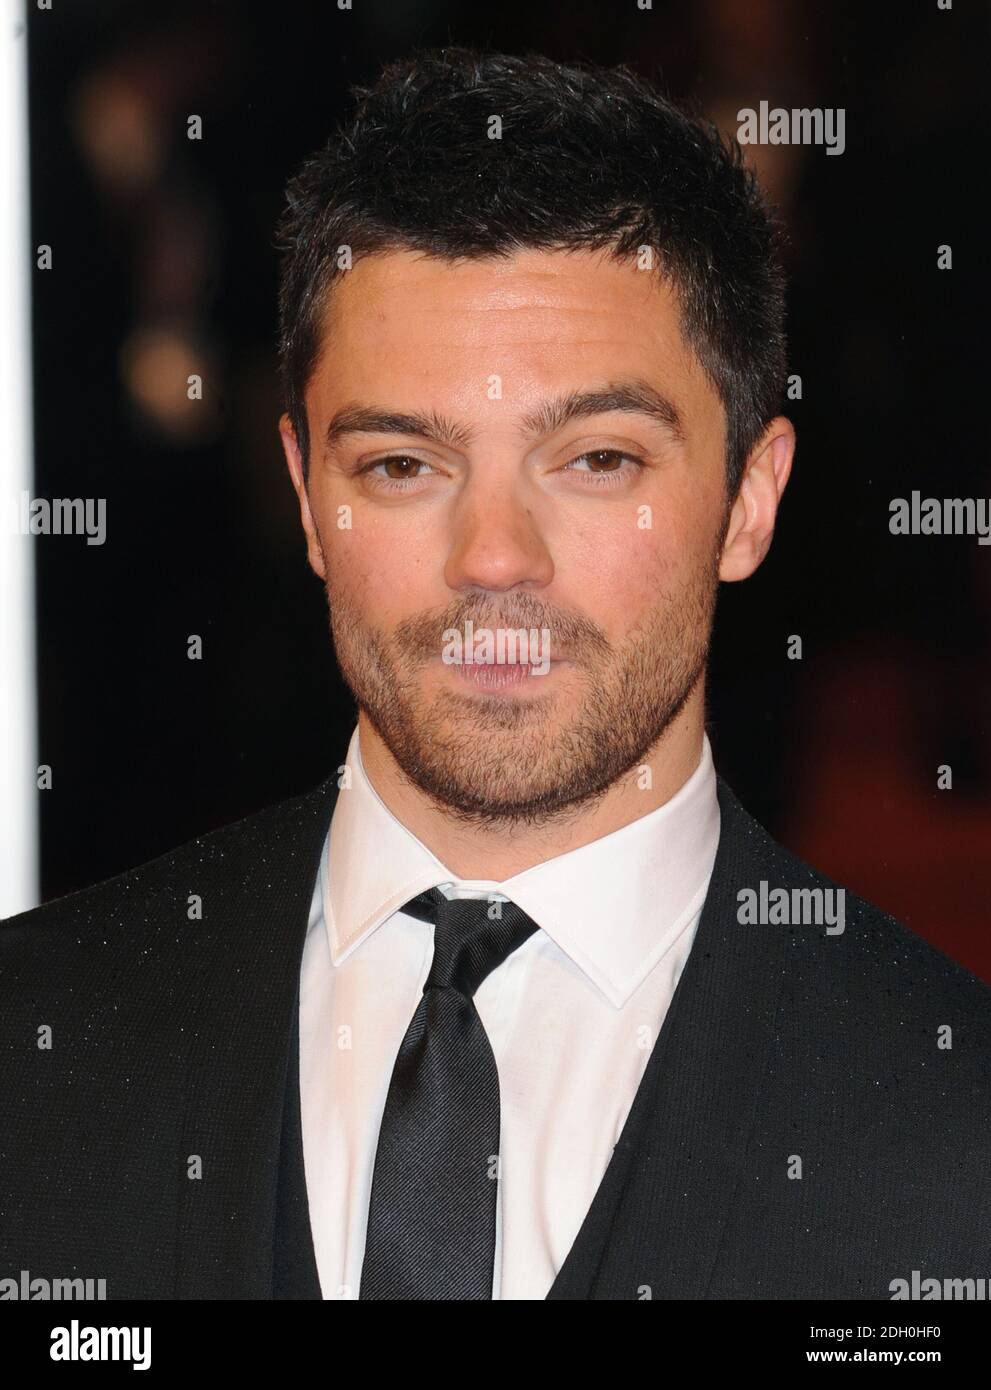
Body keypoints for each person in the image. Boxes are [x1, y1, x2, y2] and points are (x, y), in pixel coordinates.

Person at [2, 46, 989, 1303]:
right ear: (307, 499)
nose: (494, 560)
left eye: (595, 459)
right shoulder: (35, 1043)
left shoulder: (958, 1129)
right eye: (404, 464)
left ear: (750, 498)